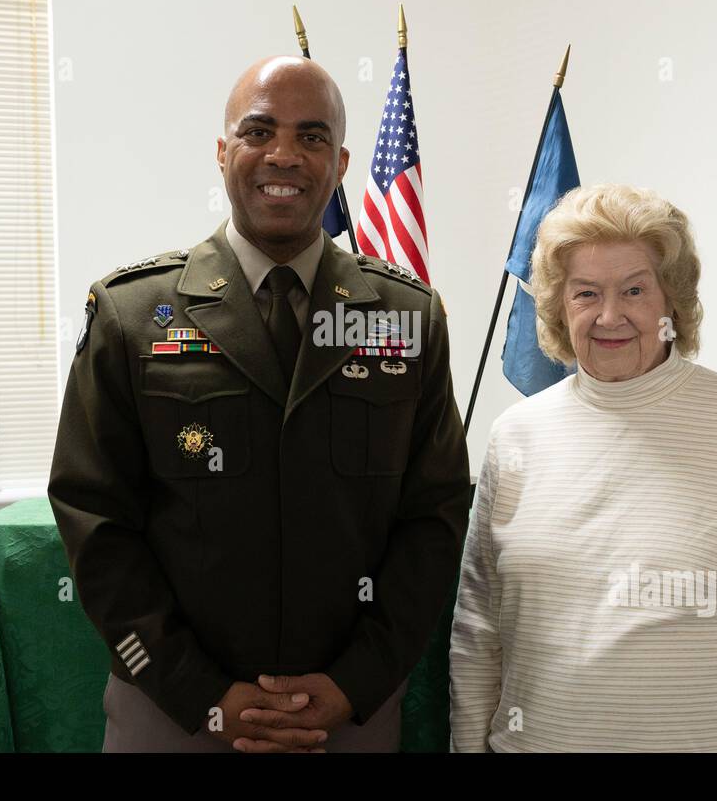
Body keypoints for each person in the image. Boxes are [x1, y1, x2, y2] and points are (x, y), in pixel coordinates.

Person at [48, 55, 469, 753]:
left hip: (344, 719)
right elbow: (95, 519)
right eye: (259, 131)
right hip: (175, 716)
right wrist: (197, 692)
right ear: (223, 151)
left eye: (311, 137)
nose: (284, 154)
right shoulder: (131, 315)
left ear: (339, 162)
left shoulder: (405, 315)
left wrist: (353, 685)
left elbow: (434, 516)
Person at [449, 182, 717, 752]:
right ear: (560, 305)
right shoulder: (516, 435)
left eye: (634, 290)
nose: (610, 315)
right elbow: (478, 629)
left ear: (672, 303)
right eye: (586, 293)